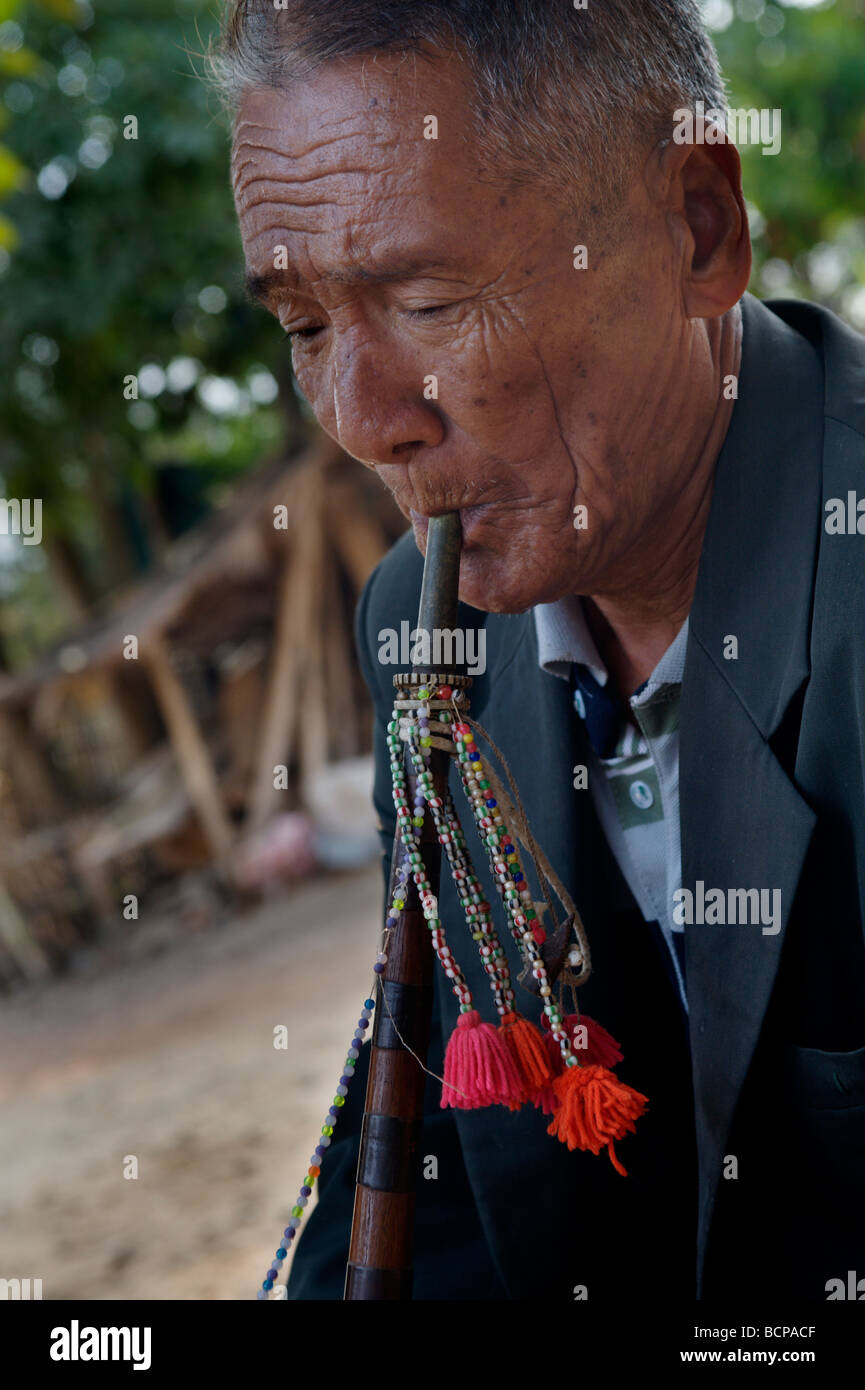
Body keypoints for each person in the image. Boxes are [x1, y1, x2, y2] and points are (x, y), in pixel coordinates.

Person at [217, 0, 865, 1299]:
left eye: (428, 298)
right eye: (302, 327)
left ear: (697, 230)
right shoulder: (422, 628)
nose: (360, 419)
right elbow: (443, 1139)